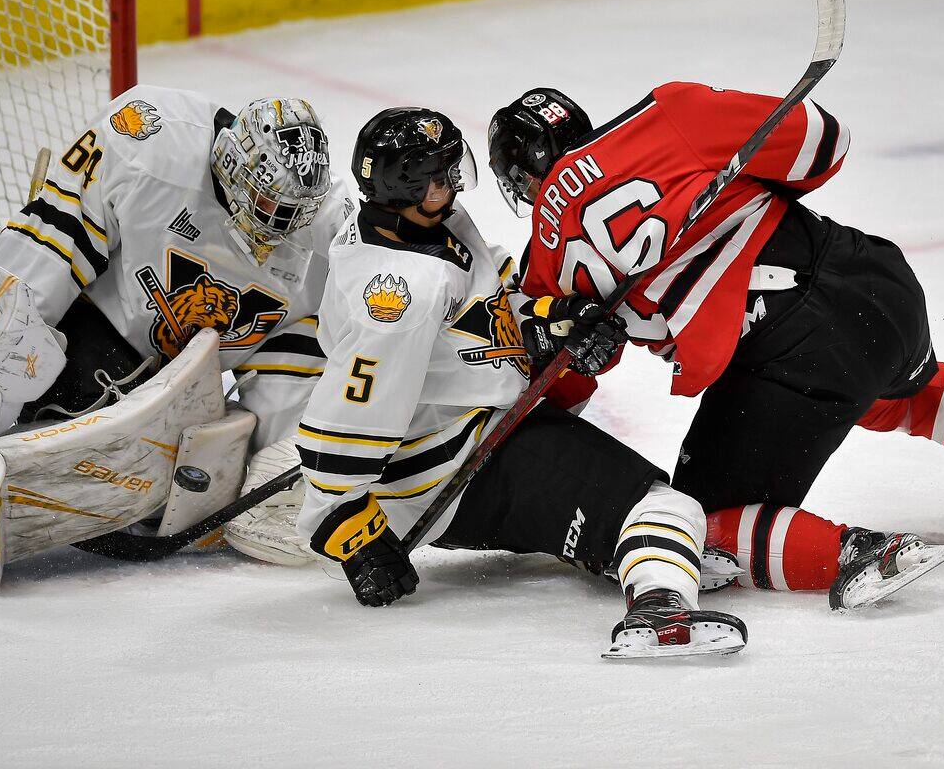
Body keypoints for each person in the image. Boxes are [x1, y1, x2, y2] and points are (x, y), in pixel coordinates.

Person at [485, 84, 944, 599]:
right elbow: (824, 143)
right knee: (892, 394)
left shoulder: (546, 262)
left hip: (795, 355)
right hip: (879, 288)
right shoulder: (670, 112)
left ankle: (859, 554)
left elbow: (560, 387)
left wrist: (578, 337)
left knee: (689, 520)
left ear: (521, 182)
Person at [291, 106, 748, 658]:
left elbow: (485, 300)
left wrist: (556, 317)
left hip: (482, 433)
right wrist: (352, 534)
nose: (452, 182)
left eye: (450, 168)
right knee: (666, 508)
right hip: (455, 467)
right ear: (400, 187)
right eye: (437, 176)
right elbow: (340, 421)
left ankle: (622, 547)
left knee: (643, 517)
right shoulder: (395, 297)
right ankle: (660, 611)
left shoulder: (424, 225)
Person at [0, 85, 349, 452]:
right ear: (234, 164)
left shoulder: (331, 233)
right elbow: (47, 255)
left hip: (194, 381)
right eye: (270, 207)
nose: (277, 230)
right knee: (16, 362)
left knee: (276, 441)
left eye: (298, 214)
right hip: (102, 338)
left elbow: (326, 350)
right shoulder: (147, 139)